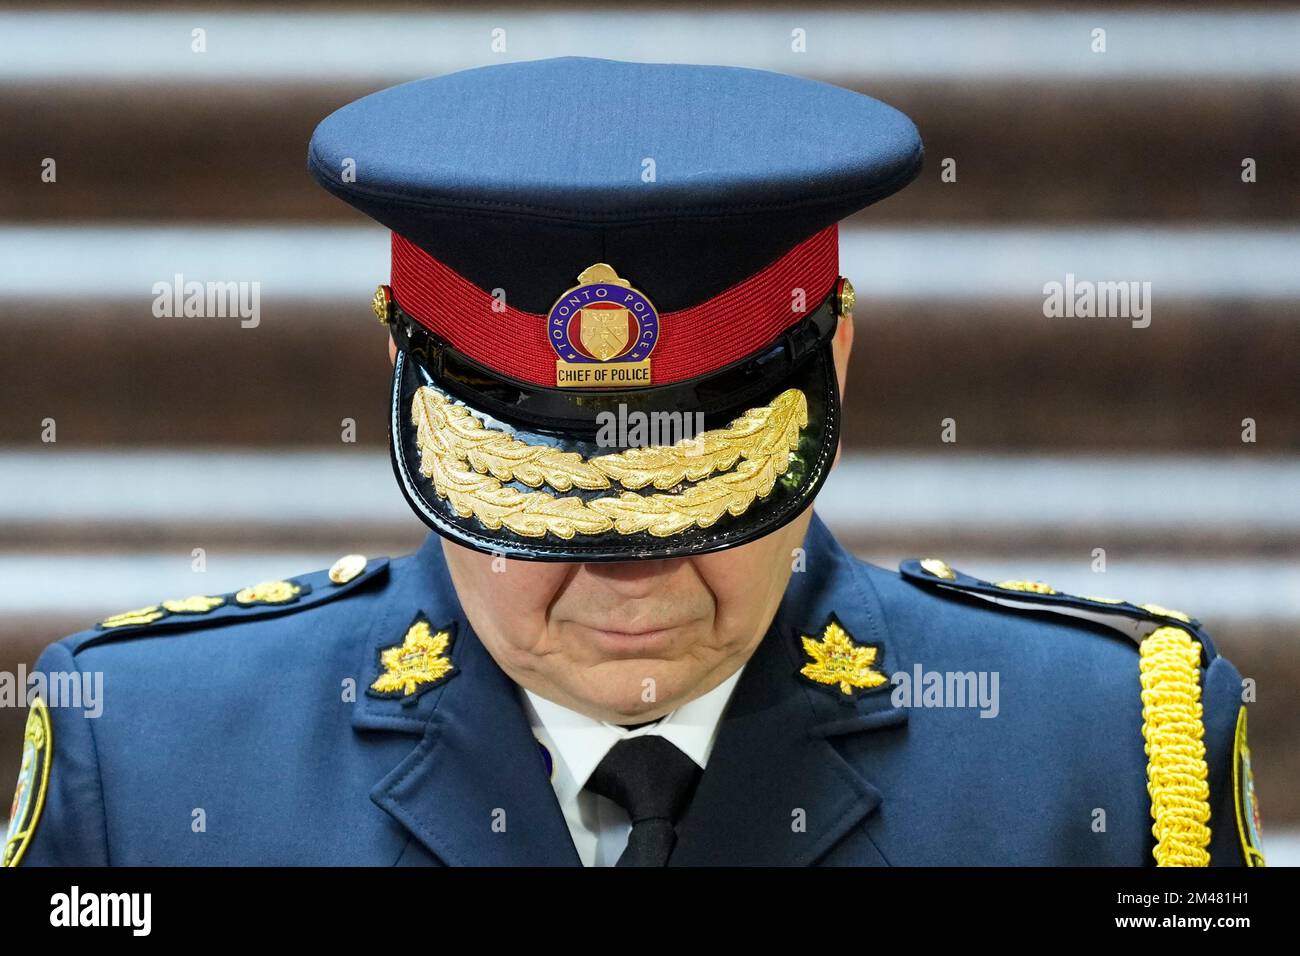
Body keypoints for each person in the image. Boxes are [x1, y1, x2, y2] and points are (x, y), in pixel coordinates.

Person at [4, 57, 1263, 868]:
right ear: (402, 375)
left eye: (707, 502)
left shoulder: (1096, 752)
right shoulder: (159, 766)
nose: (634, 588)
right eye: (542, 515)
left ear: (840, 367)